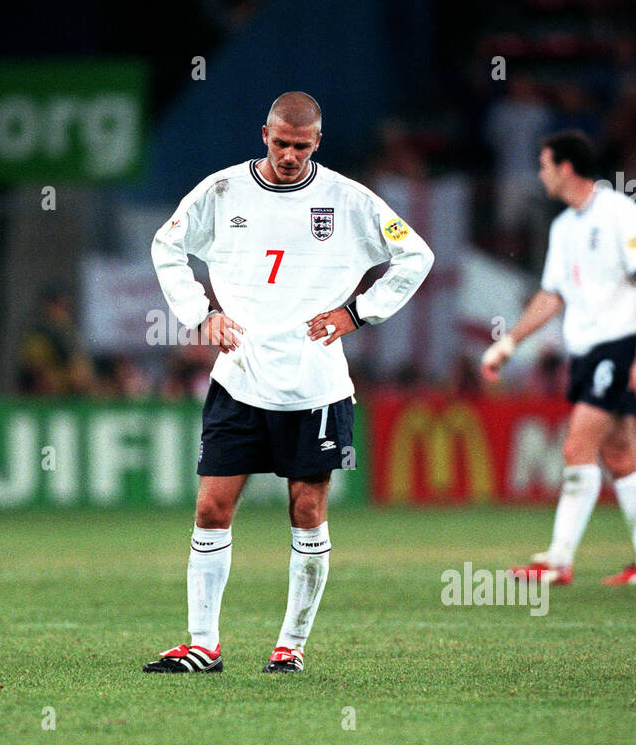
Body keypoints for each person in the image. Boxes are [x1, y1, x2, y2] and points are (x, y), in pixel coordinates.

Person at [145, 92, 434, 674]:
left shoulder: (348, 200)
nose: (289, 156)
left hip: (315, 387)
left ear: (317, 143)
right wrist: (202, 315)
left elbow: (416, 256)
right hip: (240, 378)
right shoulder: (222, 191)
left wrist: (357, 313)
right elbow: (166, 245)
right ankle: (203, 644)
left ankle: (290, 645)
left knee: (306, 509)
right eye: (280, 143)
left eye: (301, 146)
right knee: (211, 508)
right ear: (264, 134)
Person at [481, 130, 636, 586]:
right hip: (586, 351)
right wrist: (509, 343)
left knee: (576, 446)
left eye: (544, 164)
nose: (540, 173)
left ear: (566, 167)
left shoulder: (622, 213)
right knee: (621, 451)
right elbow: (551, 296)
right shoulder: (564, 226)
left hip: (619, 345)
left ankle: (558, 562)